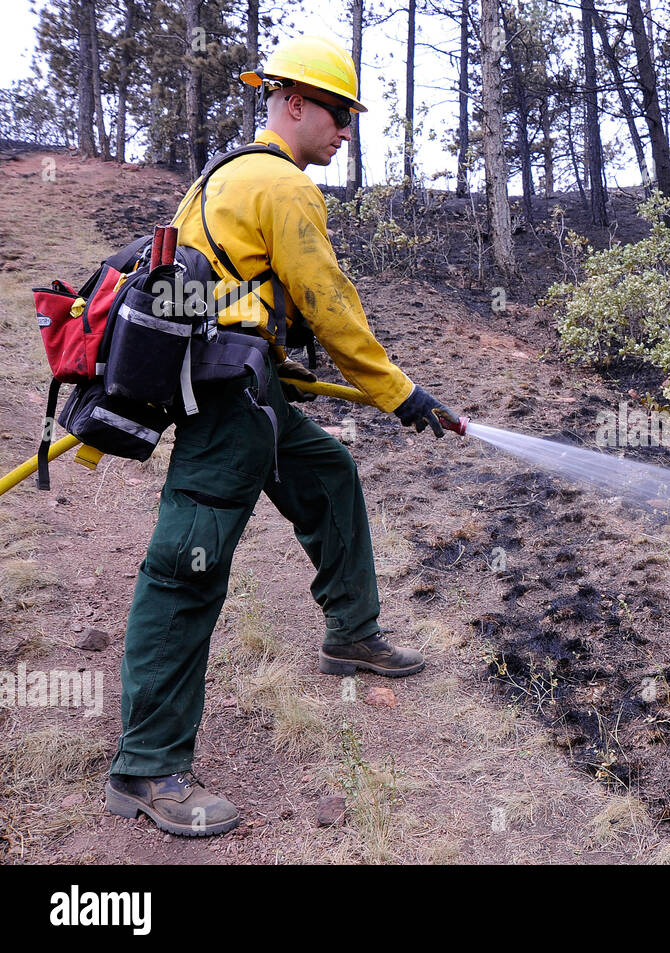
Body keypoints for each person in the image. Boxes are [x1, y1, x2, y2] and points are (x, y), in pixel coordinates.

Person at [104, 35, 455, 837]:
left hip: (251, 389)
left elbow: (239, 295)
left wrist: (270, 354)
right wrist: (401, 395)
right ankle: (147, 766)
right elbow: (330, 306)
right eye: (338, 114)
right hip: (228, 407)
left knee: (327, 472)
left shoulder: (225, 175)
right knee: (186, 568)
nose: (345, 131)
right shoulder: (283, 186)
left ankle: (351, 634)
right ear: (293, 102)